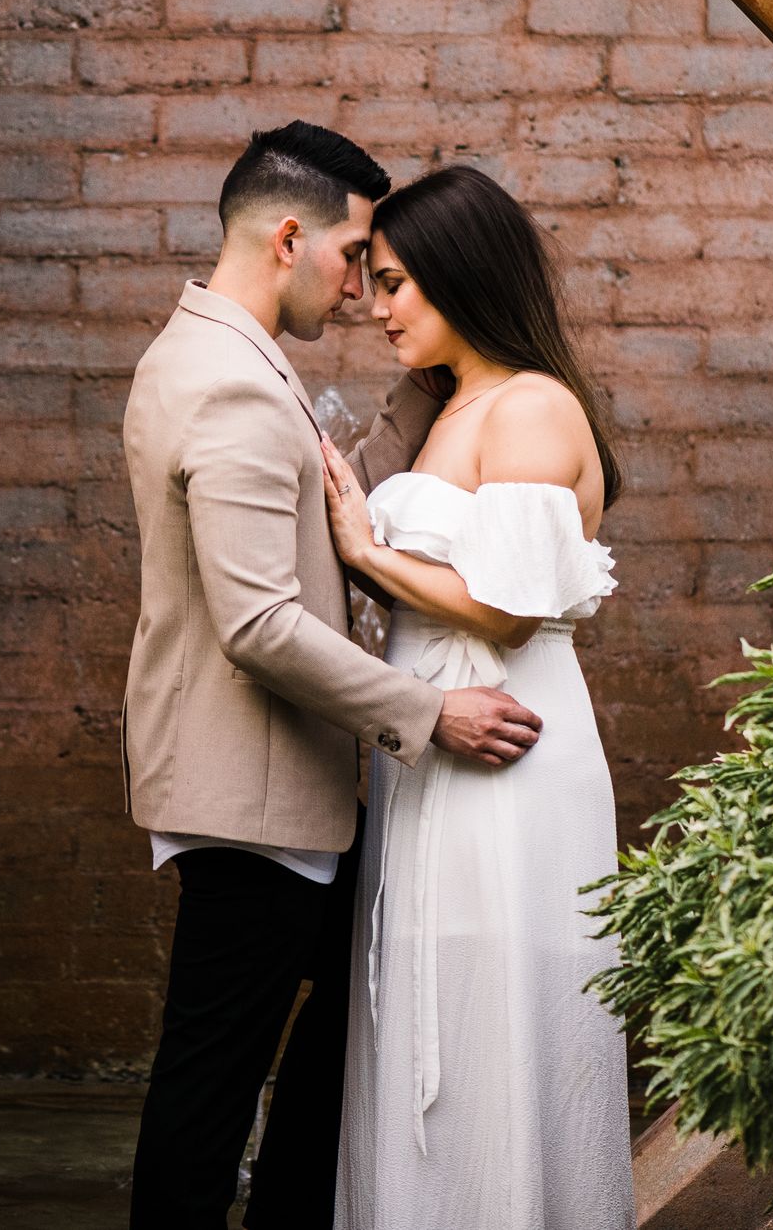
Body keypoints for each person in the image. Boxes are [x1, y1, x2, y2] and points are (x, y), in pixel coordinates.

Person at [121, 125, 547, 1230]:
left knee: (363, 1008)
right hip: (252, 799)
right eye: (355, 254)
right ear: (291, 235)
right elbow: (261, 621)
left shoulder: (212, 354)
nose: (361, 285)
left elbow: (314, 508)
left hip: (269, 790)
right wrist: (429, 711)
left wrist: (439, 381)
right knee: (210, 1085)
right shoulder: (232, 386)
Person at [318, 164, 638, 1230]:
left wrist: (363, 545)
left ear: (461, 276)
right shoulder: (457, 405)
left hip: (510, 748)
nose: (376, 306)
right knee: (427, 1003)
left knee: (497, 1010)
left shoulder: (534, 406)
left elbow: (501, 609)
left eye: (399, 282)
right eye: (371, 280)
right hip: (431, 752)